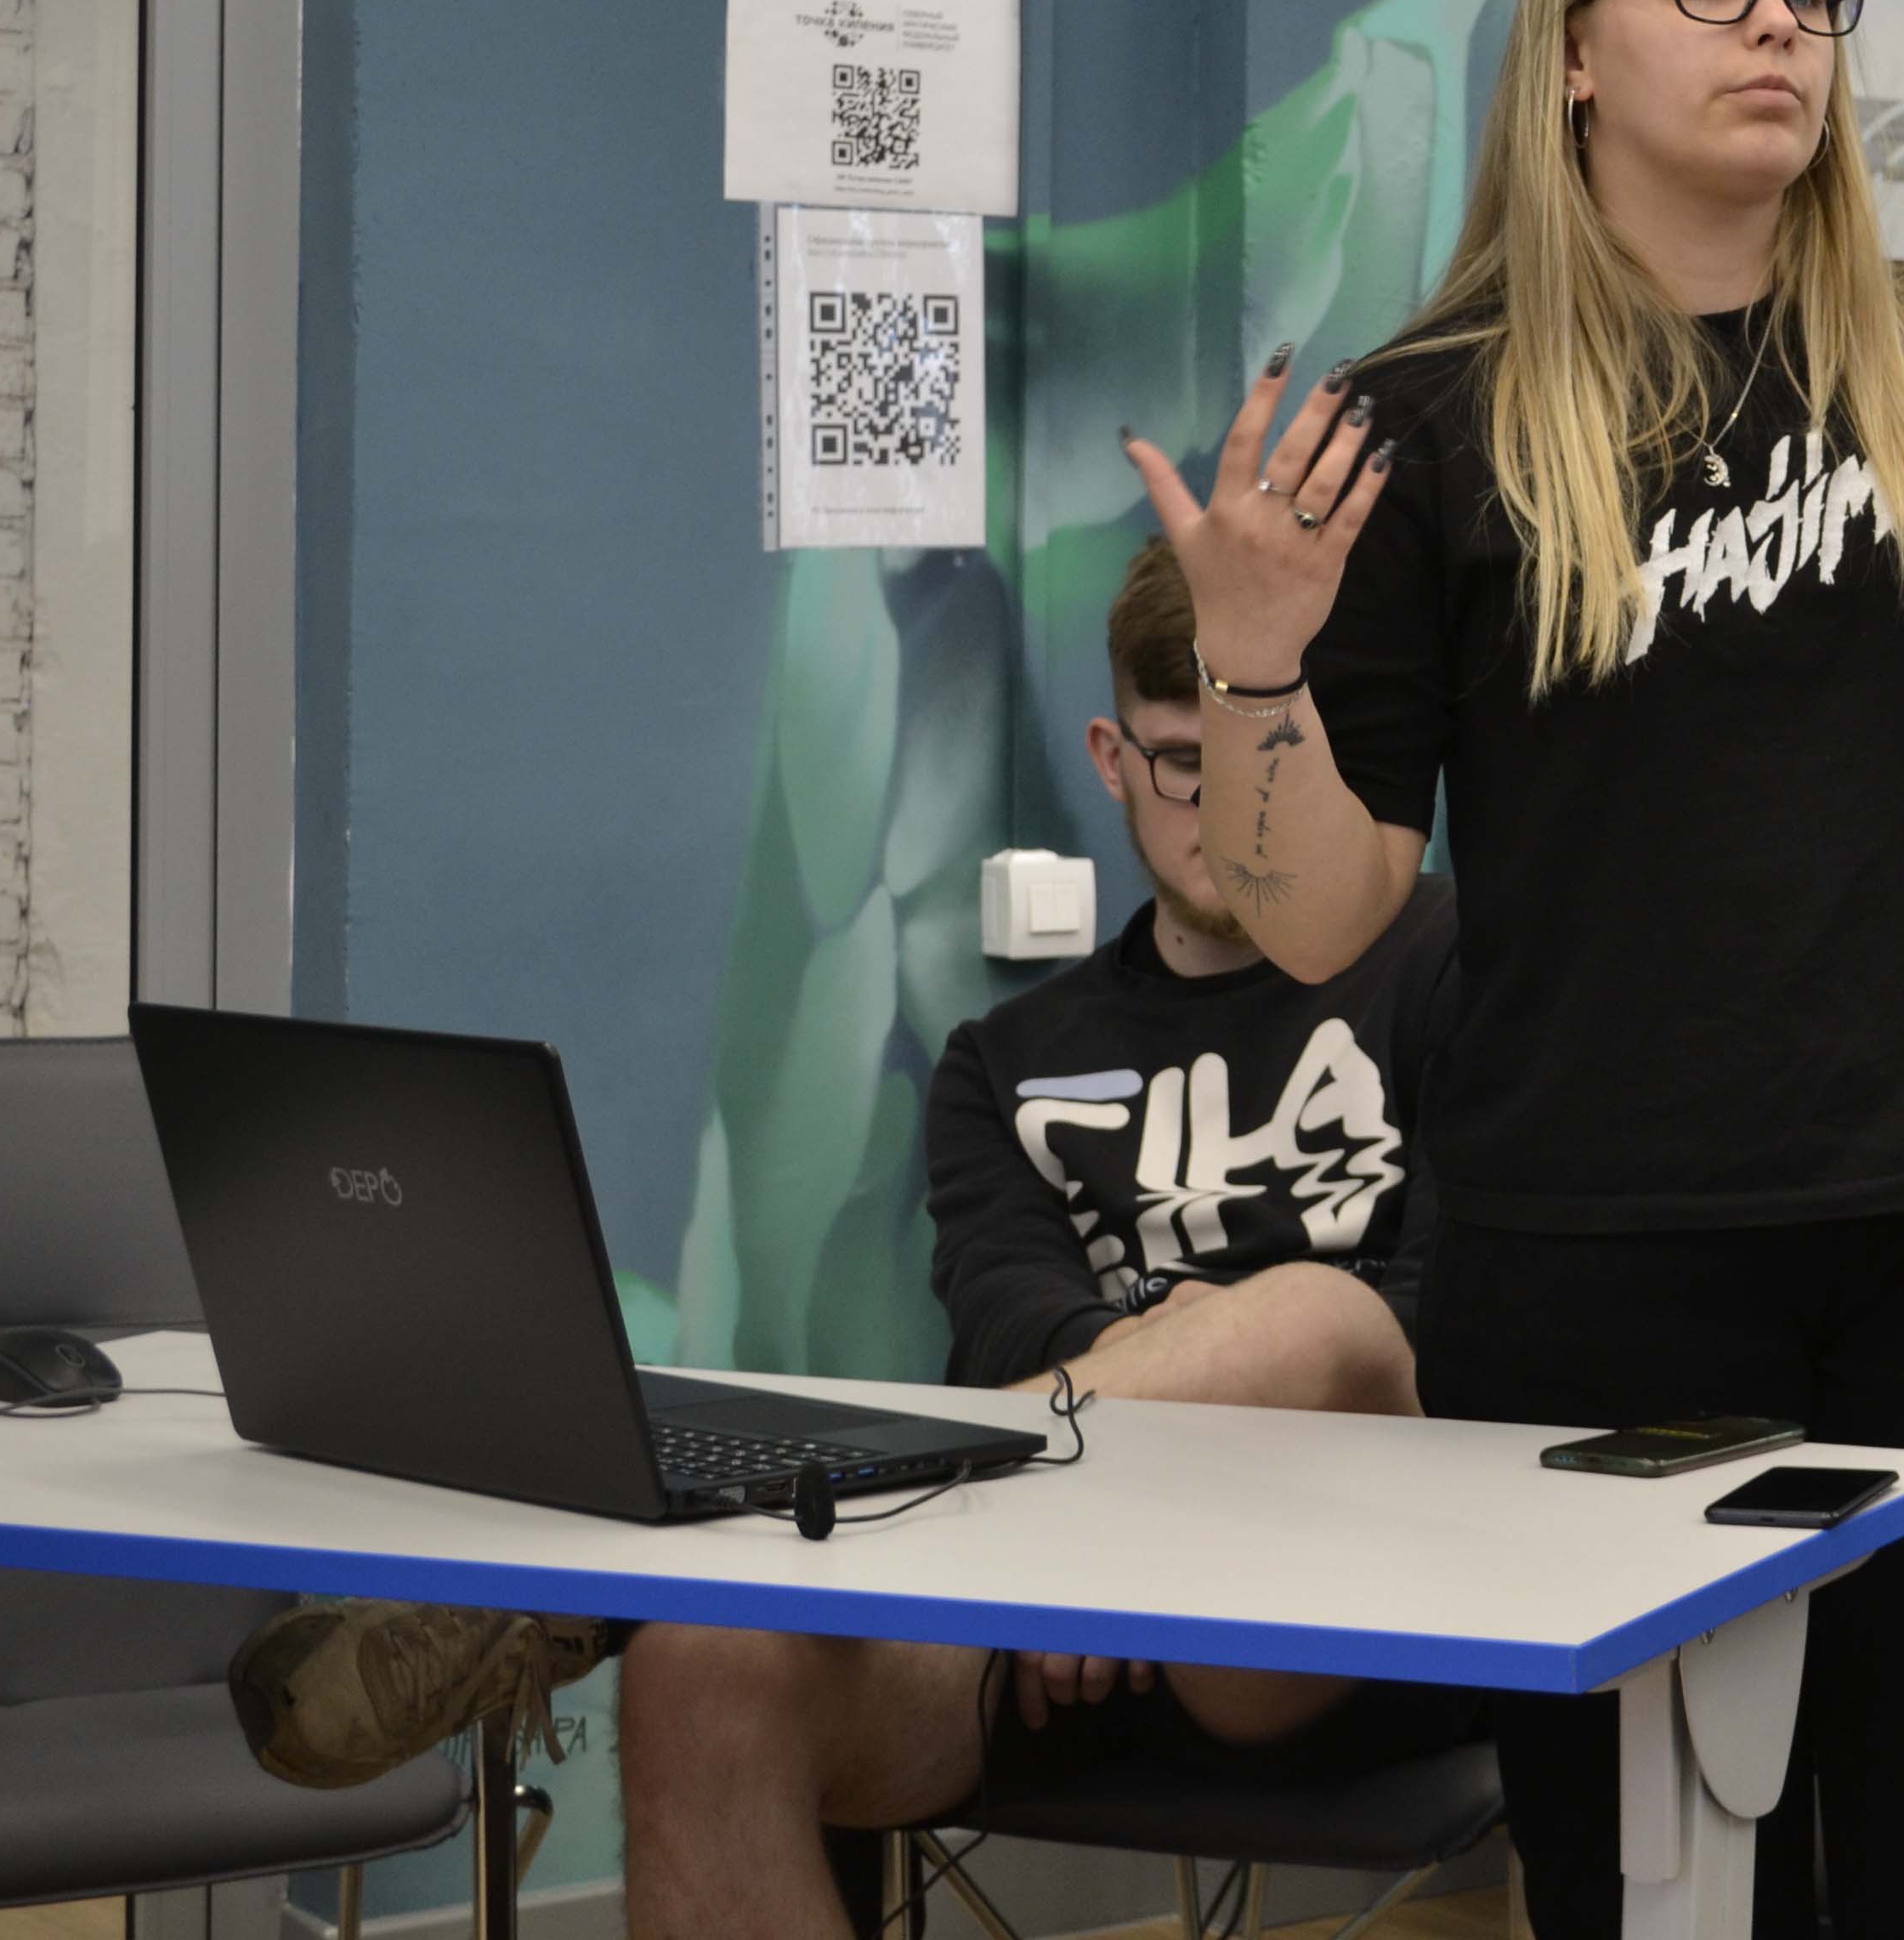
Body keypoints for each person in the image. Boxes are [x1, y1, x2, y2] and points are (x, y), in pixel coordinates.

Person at [1115, 0, 1904, 1937]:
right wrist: (1251, 657)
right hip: (1604, 1270)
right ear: (1572, 50)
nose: (1776, 24)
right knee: (1662, 1892)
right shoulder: (1425, 422)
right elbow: (1324, 913)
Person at [229, 542, 1465, 1932]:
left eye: (1262, 759)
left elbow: (1442, 1314)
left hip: (1341, 1595)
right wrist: (1100, 1540)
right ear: (1112, 759)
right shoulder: (1002, 1058)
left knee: (1314, 1316)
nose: (1228, 812)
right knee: (702, 1666)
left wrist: (1152, 1484)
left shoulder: (1443, 967)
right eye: (1188, 766)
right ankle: (667, 1596)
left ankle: (633, 1569)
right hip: (1043, 1589)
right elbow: (1008, 1323)